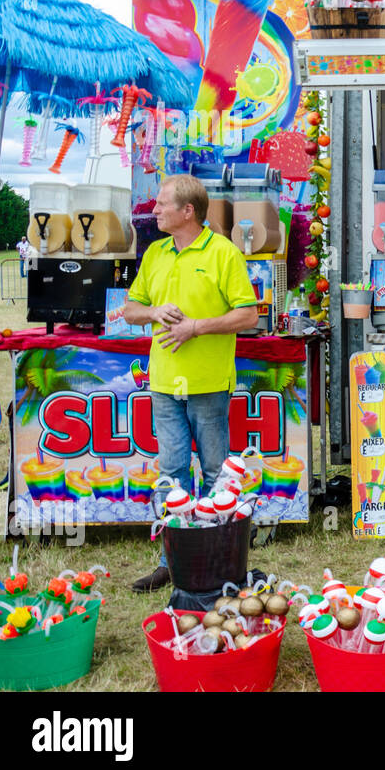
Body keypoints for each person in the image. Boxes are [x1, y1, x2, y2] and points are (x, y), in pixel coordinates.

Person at [123, 174, 259, 592]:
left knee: (218, 474)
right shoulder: (156, 252)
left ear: (188, 211)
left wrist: (195, 327)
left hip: (208, 382)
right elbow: (130, 309)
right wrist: (154, 312)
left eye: (162, 203)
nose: (154, 210)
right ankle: (173, 562)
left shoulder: (223, 253)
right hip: (164, 383)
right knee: (172, 474)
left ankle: (222, 562)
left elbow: (248, 315)